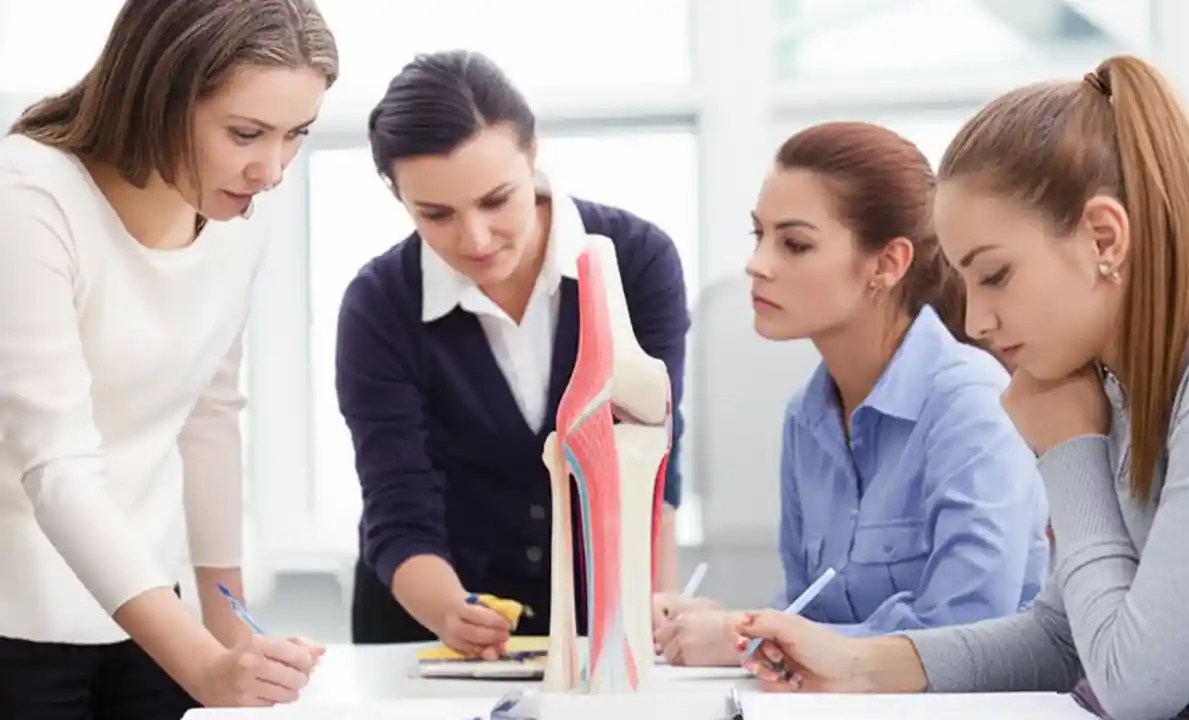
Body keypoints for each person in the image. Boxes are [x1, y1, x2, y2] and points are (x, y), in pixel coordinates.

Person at [734, 54, 1189, 720]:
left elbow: (1136, 688)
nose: (974, 321)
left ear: (1104, 238)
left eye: (994, 276)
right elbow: (1064, 638)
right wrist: (854, 664)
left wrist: (1072, 449)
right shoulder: (1120, 390)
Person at [0, 1, 338, 717]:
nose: (271, 169)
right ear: (156, 95)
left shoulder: (234, 212)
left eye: (295, 136)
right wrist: (205, 668)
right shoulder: (27, 199)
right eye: (246, 133)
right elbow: (55, 465)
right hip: (16, 620)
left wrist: (229, 641)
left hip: (155, 618)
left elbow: (208, 419)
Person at [651, 121, 1049, 667]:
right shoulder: (805, 418)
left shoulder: (971, 404)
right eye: (758, 236)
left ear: (887, 264)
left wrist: (746, 637)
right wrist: (728, 624)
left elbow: (965, 629)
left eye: (794, 243)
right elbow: (808, 616)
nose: (757, 264)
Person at [335, 49, 689, 654]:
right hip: (425, 627)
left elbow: (649, 456)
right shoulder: (380, 305)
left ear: (533, 155)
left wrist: (647, 606)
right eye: (436, 214)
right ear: (398, 196)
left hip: (596, 619)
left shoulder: (635, 261)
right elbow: (397, 503)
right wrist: (450, 611)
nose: (474, 237)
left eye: (496, 199)